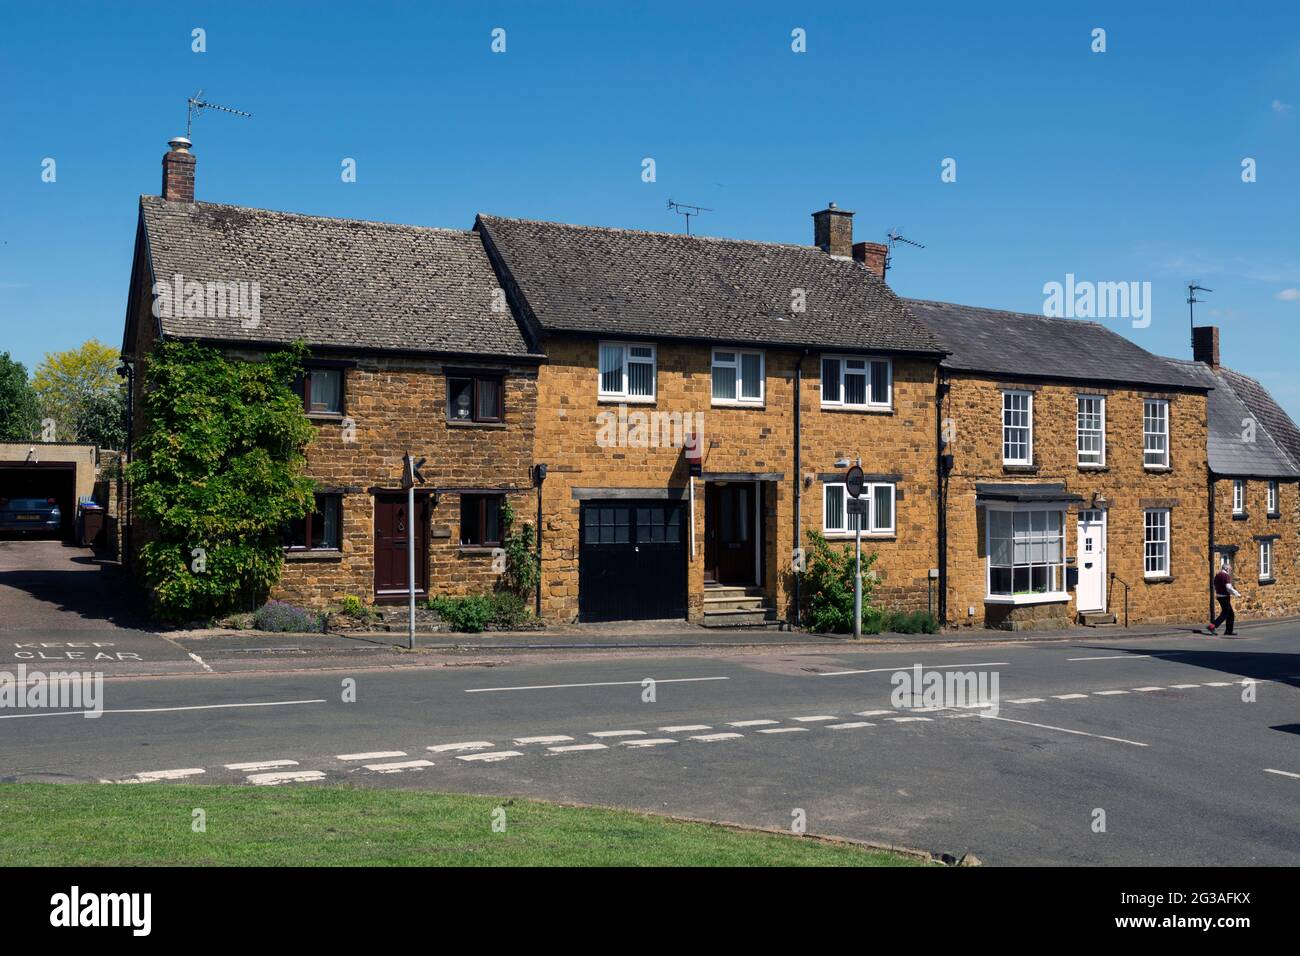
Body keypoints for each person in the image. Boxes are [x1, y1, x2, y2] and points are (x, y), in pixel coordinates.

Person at [1208, 559, 1239, 636]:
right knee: (1225, 613)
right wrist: (1236, 593)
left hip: (1219, 596)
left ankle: (1228, 631)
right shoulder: (1226, 576)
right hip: (1224, 597)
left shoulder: (1217, 575)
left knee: (1230, 614)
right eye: (1230, 569)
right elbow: (1228, 588)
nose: (1230, 571)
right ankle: (1212, 626)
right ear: (1227, 569)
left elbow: (1214, 585)